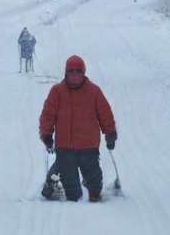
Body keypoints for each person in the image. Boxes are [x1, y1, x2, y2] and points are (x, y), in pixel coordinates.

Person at [38, 55, 118, 202]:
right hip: (65, 146)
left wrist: (110, 133)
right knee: (70, 182)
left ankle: (94, 195)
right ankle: (73, 201)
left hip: (89, 145)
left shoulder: (94, 91)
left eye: (78, 71)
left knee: (93, 175)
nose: (74, 74)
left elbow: (105, 114)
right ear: (66, 73)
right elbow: (47, 116)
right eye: (71, 71)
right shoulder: (57, 91)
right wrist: (46, 134)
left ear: (83, 72)